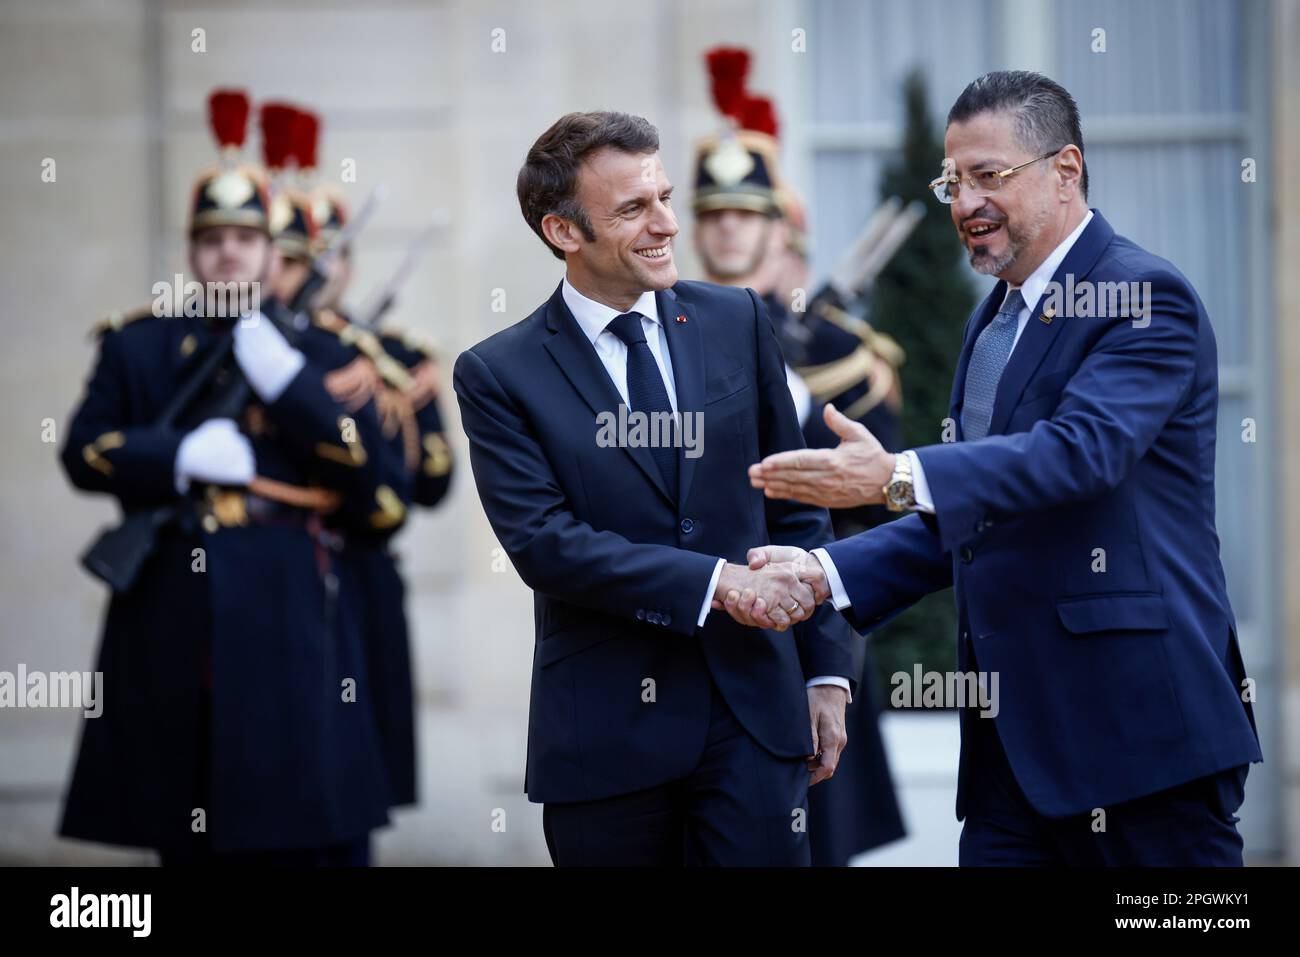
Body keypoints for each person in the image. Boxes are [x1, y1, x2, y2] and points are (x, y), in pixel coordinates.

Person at [748, 71, 1262, 866]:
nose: (965, 202)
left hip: (1143, 747)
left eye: (989, 175)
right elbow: (981, 518)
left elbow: (1080, 453)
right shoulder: (991, 323)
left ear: (1066, 170)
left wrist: (894, 476)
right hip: (1010, 768)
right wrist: (824, 573)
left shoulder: (1141, 294)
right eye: (953, 181)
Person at [454, 111, 855, 866]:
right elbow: (544, 543)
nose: (668, 224)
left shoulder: (736, 318)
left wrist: (827, 671)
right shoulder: (499, 373)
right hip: (607, 737)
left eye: (665, 197)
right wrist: (717, 583)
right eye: (633, 209)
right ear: (563, 232)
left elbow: (796, 503)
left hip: (756, 716)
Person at [58, 90, 395, 865]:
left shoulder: (320, 352)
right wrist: (176, 455)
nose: (229, 254)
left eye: (247, 238)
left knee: (303, 815)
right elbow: (82, 449)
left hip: (288, 599)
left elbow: (368, 472)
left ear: (273, 252)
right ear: (192, 251)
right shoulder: (140, 345)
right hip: (175, 598)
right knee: (187, 817)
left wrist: (290, 386)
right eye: (213, 239)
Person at [689, 55, 907, 865]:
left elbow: (884, 493)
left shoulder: (843, 351)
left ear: (779, 227)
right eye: (714, 215)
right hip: (712, 602)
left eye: (746, 215)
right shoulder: (669, 333)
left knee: (820, 826)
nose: (729, 230)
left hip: (816, 605)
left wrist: (800, 393)